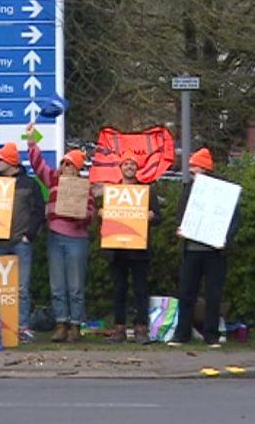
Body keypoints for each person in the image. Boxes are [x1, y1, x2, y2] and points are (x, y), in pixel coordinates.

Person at [27, 126, 95, 343]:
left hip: (77, 240)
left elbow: (90, 215)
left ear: (77, 168)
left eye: (69, 164)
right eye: (63, 163)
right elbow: (38, 166)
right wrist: (31, 142)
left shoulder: (85, 188)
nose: (64, 167)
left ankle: (75, 325)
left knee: (75, 286)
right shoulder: (54, 180)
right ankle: (60, 323)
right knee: (57, 285)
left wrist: (79, 215)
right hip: (55, 238)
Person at [168, 147, 241, 348]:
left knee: (213, 294)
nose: (192, 172)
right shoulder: (188, 189)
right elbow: (181, 214)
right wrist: (181, 228)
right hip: (192, 249)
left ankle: (211, 335)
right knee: (186, 292)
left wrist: (225, 238)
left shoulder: (222, 192)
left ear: (206, 169)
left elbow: (234, 219)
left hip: (214, 251)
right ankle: (182, 334)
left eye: (195, 168)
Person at [0, 142, 45, 343]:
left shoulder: (29, 184)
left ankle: (23, 327)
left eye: (0, 159)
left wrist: (30, 235)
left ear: (11, 162)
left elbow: (38, 212)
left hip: (21, 242)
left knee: (21, 288)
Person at [101, 151, 161, 345]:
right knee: (119, 290)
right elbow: (102, 218)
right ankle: (119, 328)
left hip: (139, 250)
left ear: (137, 168)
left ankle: (141, 328)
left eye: (132, 164)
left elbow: (159, 217)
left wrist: (152, 216)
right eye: (126, 164)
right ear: (121, 167)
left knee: (140, 290)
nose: (129, 167)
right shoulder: (112, 192)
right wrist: (102, 212)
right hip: (117, 250)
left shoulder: (147, 191)